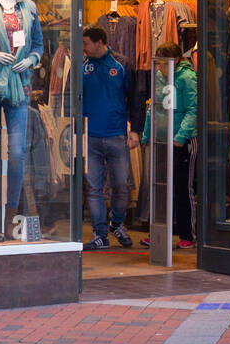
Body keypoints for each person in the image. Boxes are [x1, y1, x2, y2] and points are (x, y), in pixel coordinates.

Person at [80, 26, 144, 250]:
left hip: (117, 135)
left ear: (99, 42)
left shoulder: (122, 64)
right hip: (91, 137)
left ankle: (116, 224)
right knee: (94, 188)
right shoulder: (82, 65)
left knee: (121, 185)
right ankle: (100, 234)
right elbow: (72, 98)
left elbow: (135, 98)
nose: (83, 48)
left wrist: (135, 130)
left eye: (86, 43)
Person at [144, 43, 198, 249]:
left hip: (181, 141)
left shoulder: (187, 78)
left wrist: (181, 136)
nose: (159, 67)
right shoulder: (158, 77)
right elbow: (153, 107)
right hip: (161, 139)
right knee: (159, 186)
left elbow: (193, 110)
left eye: (163, 63)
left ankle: (187, 233)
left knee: (183, 187)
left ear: (174, 61)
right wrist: (147, 135)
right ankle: (159, 230)